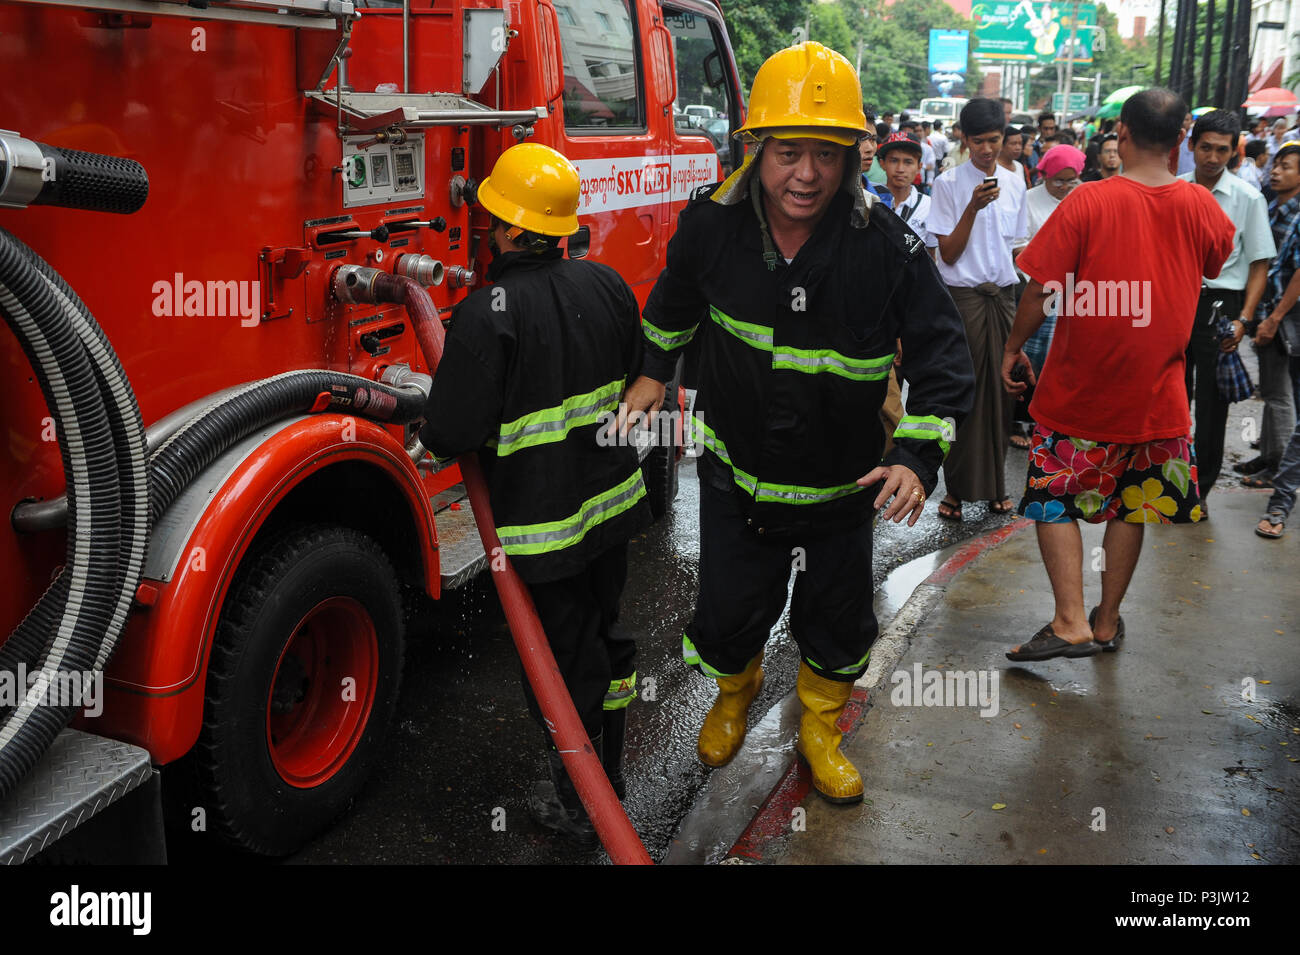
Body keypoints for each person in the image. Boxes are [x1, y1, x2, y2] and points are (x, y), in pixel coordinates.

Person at [619, 42, 974, 804]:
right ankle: (735, 694)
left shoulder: (888, 249)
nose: (805, 175)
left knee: (837, 620)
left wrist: (917, 453)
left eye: (825, 153)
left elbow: (946, 355)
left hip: (840, 492)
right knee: (727, 609)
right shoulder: (710, 228)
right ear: (754, 150)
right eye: (787, 153)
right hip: (734, 480)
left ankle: (819, 727)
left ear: (853, 157)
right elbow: (675, 301)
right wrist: (653, 370)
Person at [418, 142, 651, 846]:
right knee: (607, 639)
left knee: (560, 661)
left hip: (545, 531)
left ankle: (581, 803)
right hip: (613, 511)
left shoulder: (486, 313)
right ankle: (604, 776)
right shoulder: (606, 283)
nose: (487, 233)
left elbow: (453, 431)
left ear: (518, 232)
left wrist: (428, 422)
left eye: (494, 222)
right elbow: (632, 374)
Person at [1000, 88, 1234, 662]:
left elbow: (1039, 286)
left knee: (1056, 499)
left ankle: (1070, 620)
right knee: (1134, 505)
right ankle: (1106, 623)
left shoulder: (1084, 203)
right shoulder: (1204, 206)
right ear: (1182, 139)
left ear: (1121, 135)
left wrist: (1013, 347)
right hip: (1158, 395)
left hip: (1081, 391)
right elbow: (1213, 264)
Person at [928, 97, 1027, 520]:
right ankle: (955, 490)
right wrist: (973, 206)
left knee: (1002, 398)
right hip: (963, 301)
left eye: (994, 140)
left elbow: (1018, 251)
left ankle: (997, 489)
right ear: (963, 139)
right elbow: (947, 254)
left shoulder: (1017, 182)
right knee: (963, 395)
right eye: (978, 141)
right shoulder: (948, 185)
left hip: (1003, 299)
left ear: (1002, 138)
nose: (987, 149)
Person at [1179, 110, 1275, 516]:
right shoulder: (1174, 191)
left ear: (1233, 153)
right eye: (1206, 148)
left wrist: (1243, 320)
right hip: (1176, 302)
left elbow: (1259, 263)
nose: (1213, 158)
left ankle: (1199, 490)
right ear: (1191, 146)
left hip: (1222, 307)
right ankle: (1168, 479)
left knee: (1213, 407)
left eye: (1222, 150)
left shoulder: (1248, 198)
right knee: (1170, 396)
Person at [1010, 144, 1086, 449]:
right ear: (1045, 176)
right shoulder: (1028, 201)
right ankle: (1020, 419)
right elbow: (1018, 247)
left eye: (1072, 180)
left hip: (1075, 293)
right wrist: (1056, 257)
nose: (1065, 186)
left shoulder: (1083, 199)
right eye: (1059, 181)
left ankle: (1054, 418)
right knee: (1031, 357)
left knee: (1064, 359)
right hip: (1037, 288)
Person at [1244, 144, 1300, 512]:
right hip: (1267, 309)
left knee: (1279, 394)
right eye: (1276, 165)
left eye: (1286, 167)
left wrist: (1275, 317)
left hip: (1283, 316)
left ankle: (1279, 466)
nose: (1276, 171)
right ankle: (1267, 455)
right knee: (1270, 389)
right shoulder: (1273, 205)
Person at [879, 131, 935, 251]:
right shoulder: (872, 200)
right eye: (894, 161)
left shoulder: (928, 205)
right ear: (882, 163)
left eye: (908, 162)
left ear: (919, 167)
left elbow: (931, 255)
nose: (900, 169)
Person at [858, 118, 892, 206]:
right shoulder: (826, 194)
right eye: (860, 139)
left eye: (873, 139)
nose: (870, 148)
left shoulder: (884, 195)